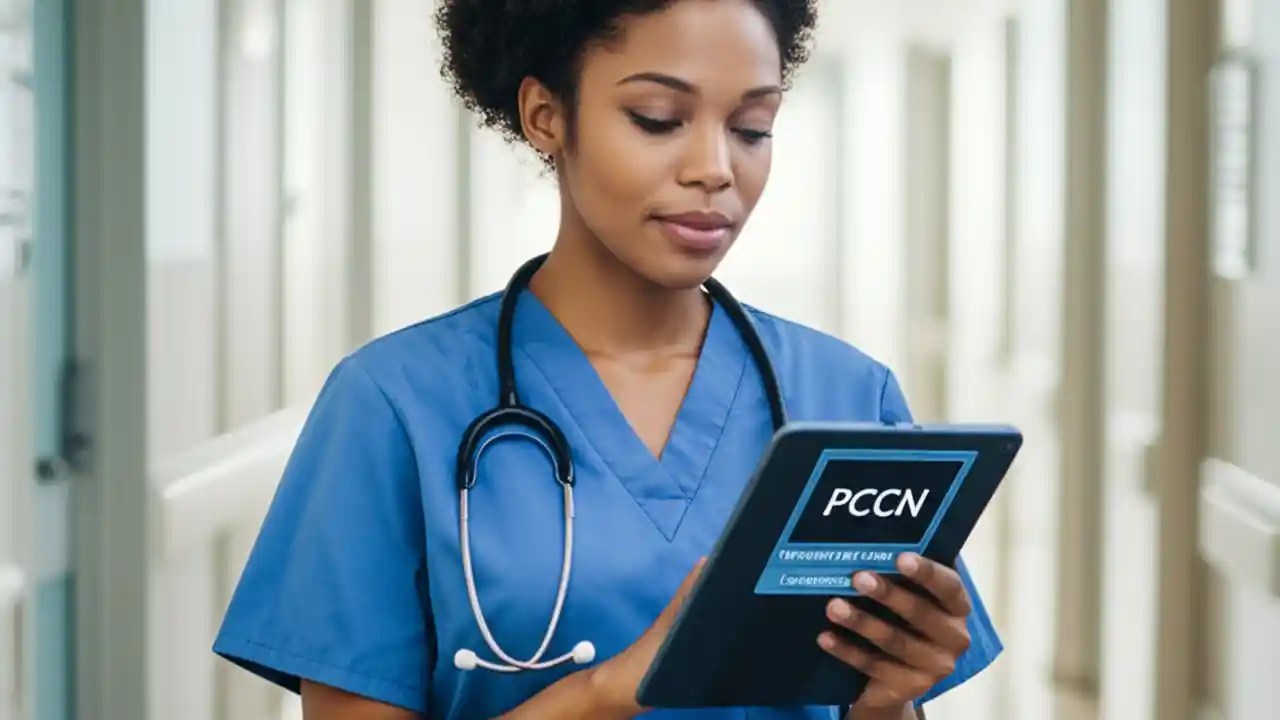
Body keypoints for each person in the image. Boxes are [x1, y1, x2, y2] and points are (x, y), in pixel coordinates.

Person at [212, 1, 1003, 718]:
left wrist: (888, 702)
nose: (716, 167)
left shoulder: (848, 393)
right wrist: (608, 693)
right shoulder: (394, 405)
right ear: (546, 115)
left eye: (752, 127)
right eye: (658, 117)